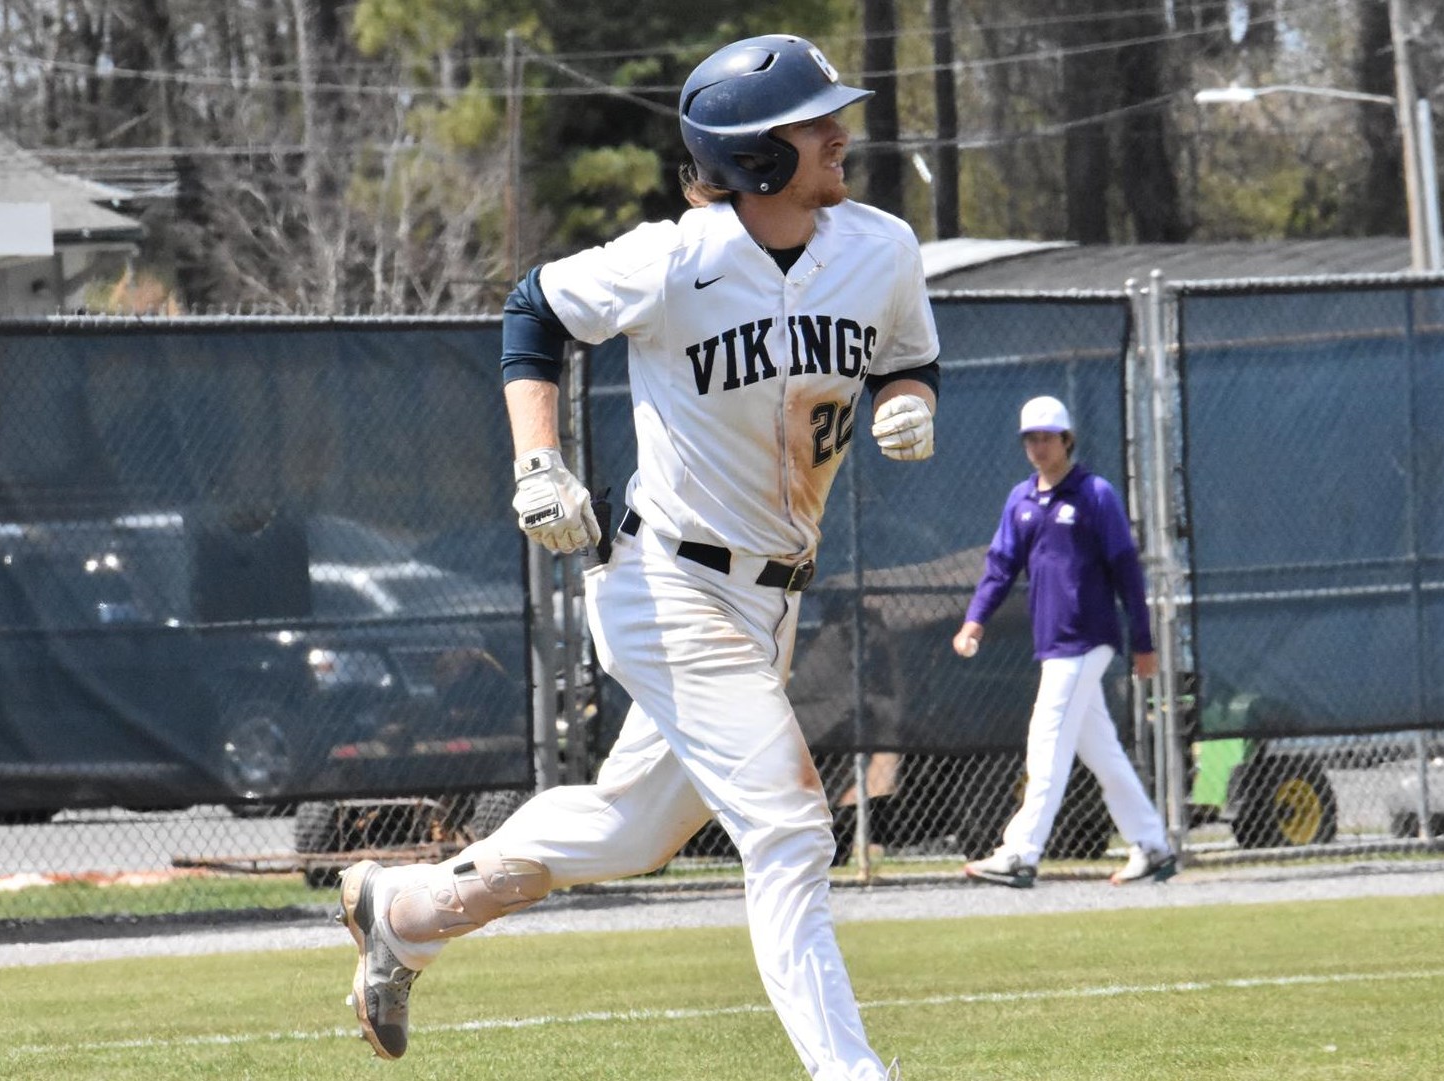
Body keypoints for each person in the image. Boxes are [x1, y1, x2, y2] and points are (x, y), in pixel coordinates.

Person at [335, 34, 937, 1081]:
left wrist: (908, 405)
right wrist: (538, 461)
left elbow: (911, 360)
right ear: (754, 158)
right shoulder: (672, 259)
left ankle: (410, 908)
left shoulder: (879, 247)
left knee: (629, 828)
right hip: (668, 581)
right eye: (812, 121)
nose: (840, 131)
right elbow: (533, 309)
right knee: (793, 827)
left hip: (771, 604)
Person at [952, 395, 1176, 889]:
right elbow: (1000, 567)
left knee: (1047, 742)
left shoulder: (1095, 494)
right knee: (1103, 753)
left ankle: (1020, 853)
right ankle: (1154, 846)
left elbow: (1126, 570)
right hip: (1053, 642)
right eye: (1030, 438)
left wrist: (1143, 640)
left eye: (1047, 437)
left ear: (1066, 439)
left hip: (1087, 639)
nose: (1038, 446)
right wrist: (974, 621)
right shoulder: (1022, 500)